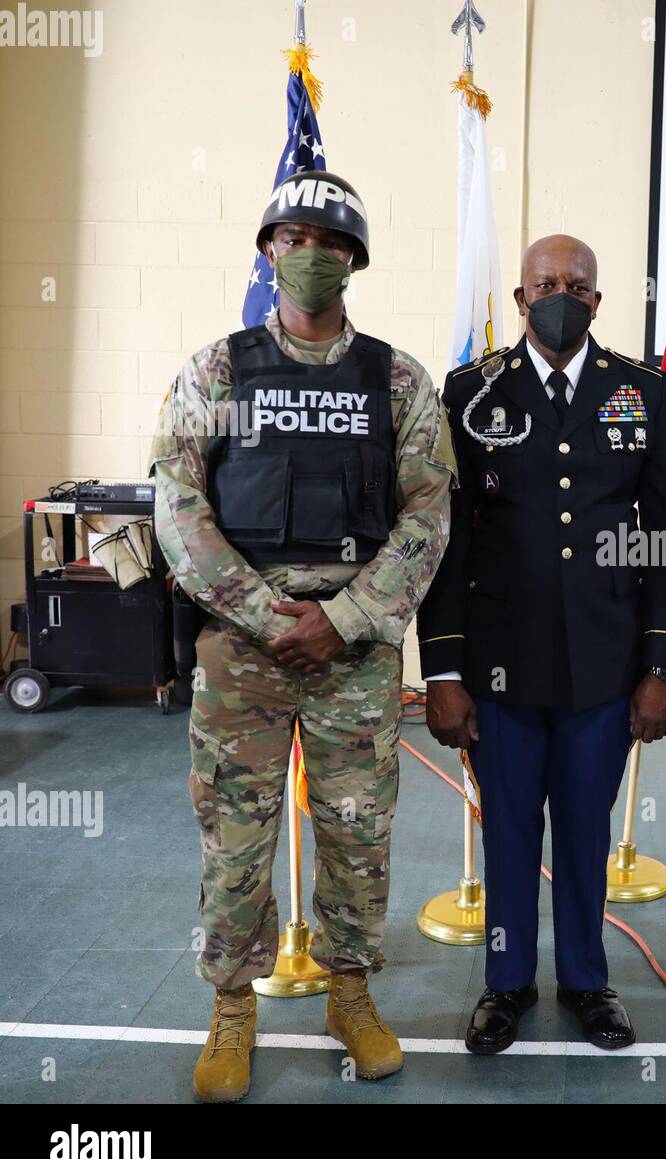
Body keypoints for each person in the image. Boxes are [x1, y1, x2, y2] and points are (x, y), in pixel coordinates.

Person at [150, 170, 454, 1102]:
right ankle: (232, 1007)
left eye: (327, 241)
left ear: (354, 259)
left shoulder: (397, 381)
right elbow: (177, 506)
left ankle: (349, 993)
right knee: (235, 840)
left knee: (359, 836)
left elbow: (428, 516)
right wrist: (261, 611)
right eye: (290, 236)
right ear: (266, 249)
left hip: (354, 652)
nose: (308, 253)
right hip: (243, 648)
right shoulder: (216, 371)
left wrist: (346, 619)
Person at [418, 234, 666, 1055]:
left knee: (583, 828)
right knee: (507, 829)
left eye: (576, 284)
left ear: (599, 301)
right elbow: (446, 539)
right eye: (544, 283)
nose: (559, 295)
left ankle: (584, 980)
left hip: (605, 662)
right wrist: (444, 669)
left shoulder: (641, 391)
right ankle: (505, 985)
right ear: (519, 298)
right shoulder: (472, 392)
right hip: (500, 663)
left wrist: (661, 665)